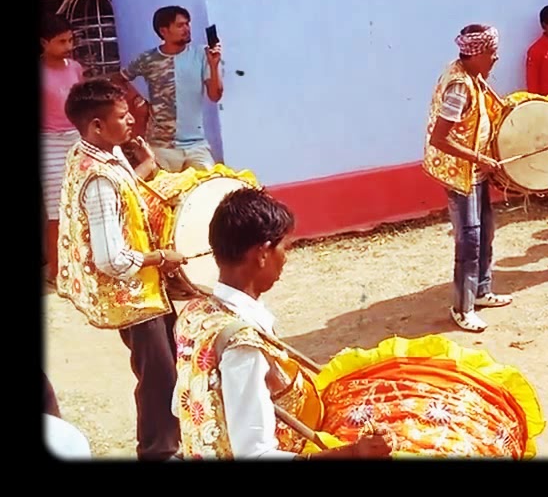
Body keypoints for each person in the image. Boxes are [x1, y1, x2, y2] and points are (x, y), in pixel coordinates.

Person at [171, 187, 393, 459]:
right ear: (263, 253)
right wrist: (353, 453)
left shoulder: (196, 313)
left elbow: (181, 404)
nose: (286, 259)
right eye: (285, 248)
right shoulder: (243, 346)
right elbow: (255, 455)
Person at [56, 77, 187, 461]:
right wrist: (161, 258)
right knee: (159, 377)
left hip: (145, 292)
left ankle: (166, 444)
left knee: (165, 370)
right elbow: (110, 258)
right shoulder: (98, 179)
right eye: (122, 116)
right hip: (134, 297)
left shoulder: (97, 154)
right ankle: (158, 451)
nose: (131, 120)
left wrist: (145, 164)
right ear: (96, 125)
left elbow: (125, 187)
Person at [422, 24, 515, 333]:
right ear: (475, 54)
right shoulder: (459, 87)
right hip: (461, 172)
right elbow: (439, 138)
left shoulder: (473, 76)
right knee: (469, 239)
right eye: (491, 53)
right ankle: (463, 307)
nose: (496, 58)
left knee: (485, 230)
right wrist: (480, 158)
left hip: (476, 170)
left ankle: (482, 290)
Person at [115, 5, 225, 173]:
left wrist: (214, 65)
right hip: (161, 145)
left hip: (196, 144)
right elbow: (118, 79)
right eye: (180, 25)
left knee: (210, 186)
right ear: (164, 31)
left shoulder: (201, 54)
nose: (187, 29)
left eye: (188, 24)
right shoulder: (148, 59)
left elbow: (215, 96)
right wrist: (137, 100)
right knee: (163, 194)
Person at [41, 16, 85, 283]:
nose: (68, 46)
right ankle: (56, 270)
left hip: (77, 138)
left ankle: (82, 267)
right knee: (56, 211)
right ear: (44, 43)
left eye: (70, 40)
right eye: (61, 41)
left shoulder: (76, 68)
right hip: (49, 143)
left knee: (83, 203)